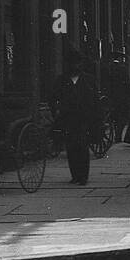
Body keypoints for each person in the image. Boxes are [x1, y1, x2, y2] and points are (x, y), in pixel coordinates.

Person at [50, 50, 99, 186]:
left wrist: (95, 118)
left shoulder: (89, 80)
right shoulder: (62, 80)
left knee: (82, 146)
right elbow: (53, 97)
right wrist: (56, 112)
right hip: (68, 118)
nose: (75, 66)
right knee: (71, 147)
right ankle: (75, 175)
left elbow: (95, 100)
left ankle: (83, 176)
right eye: (72, 63)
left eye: (78, 63)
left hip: (84, 118)